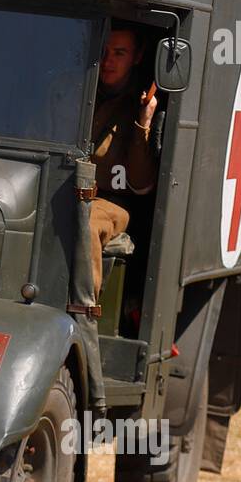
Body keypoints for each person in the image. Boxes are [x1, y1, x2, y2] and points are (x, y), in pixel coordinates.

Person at [87, 25, 158, 293]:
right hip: (63, 191)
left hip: (110, 201)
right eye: (104, 51)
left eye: (119, 53)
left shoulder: (139, 105)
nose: (108, 61)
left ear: (137, 56)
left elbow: (141, 183)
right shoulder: (73, 89)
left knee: (87, 225)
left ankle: (82, 314)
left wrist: (143, 124)